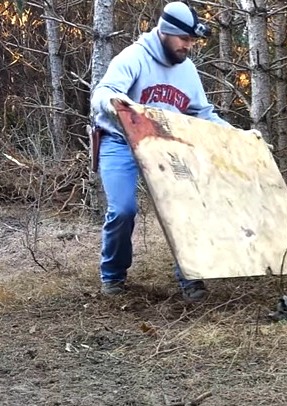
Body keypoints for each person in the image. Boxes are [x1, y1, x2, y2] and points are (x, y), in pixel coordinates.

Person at [90, 1, 258, 301]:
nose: (188, 46)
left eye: (192, 40)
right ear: (165, 32)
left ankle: (191, 278)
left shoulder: (188, 70)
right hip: (121, 142)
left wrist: (240, 136)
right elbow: (101, 93)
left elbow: (203, 114)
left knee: (188, 207)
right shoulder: (133, 58)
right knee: (123, 209)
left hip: (166, 148)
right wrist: (113, 103)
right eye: (183, 39)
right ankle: (113, 277)